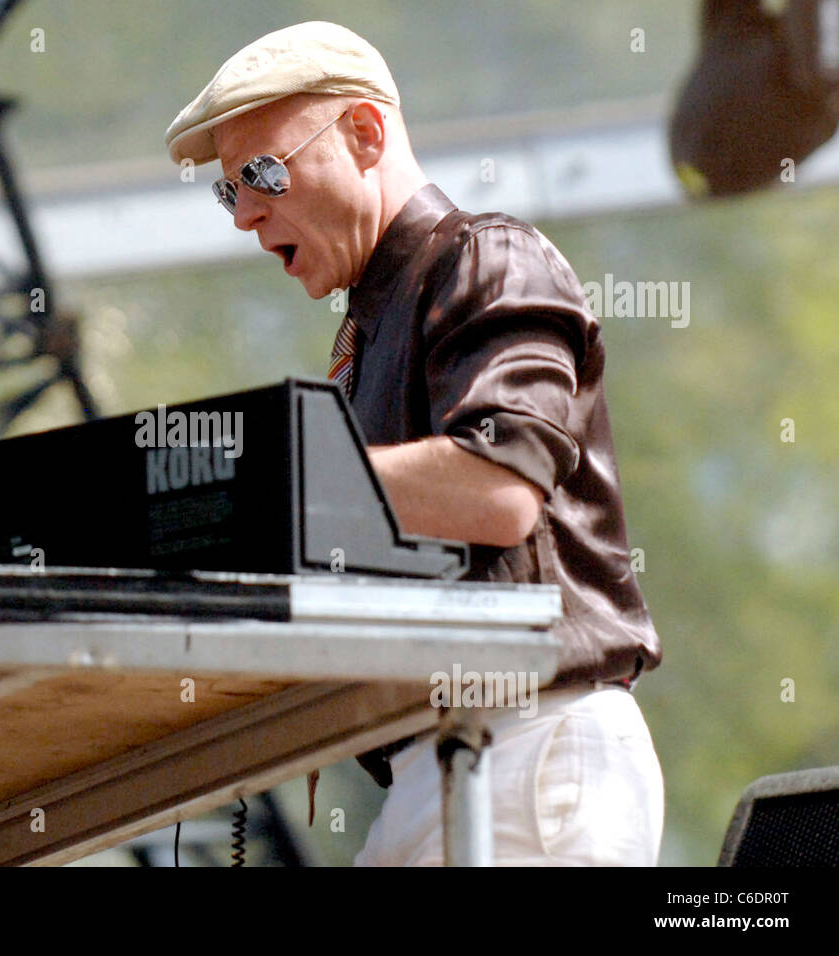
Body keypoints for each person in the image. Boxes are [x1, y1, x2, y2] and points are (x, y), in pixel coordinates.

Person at [165, 21, 665, 865]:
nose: (246, 213)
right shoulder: (373, 329)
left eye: (261, 172)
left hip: (527, 744)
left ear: (365, 134)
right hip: (450, 761)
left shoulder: (487, 255)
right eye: (229, 192)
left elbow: (497, 488)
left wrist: (264, 482)